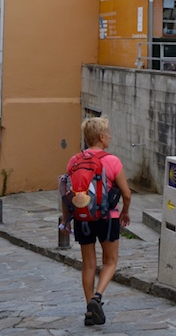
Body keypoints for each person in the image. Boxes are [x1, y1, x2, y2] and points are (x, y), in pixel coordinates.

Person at [67, 117, 131, 327]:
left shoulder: (74, 161)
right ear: (102, 137)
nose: (110, 136)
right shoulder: (112, 161)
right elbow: (127, 193)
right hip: (108, 217)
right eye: (108, 133)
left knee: (88, 264)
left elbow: (66, 193)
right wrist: (125, 212)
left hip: (82, 217)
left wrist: (67, 220)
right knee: (110, 262)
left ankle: (89, 310)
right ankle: (97, 297)